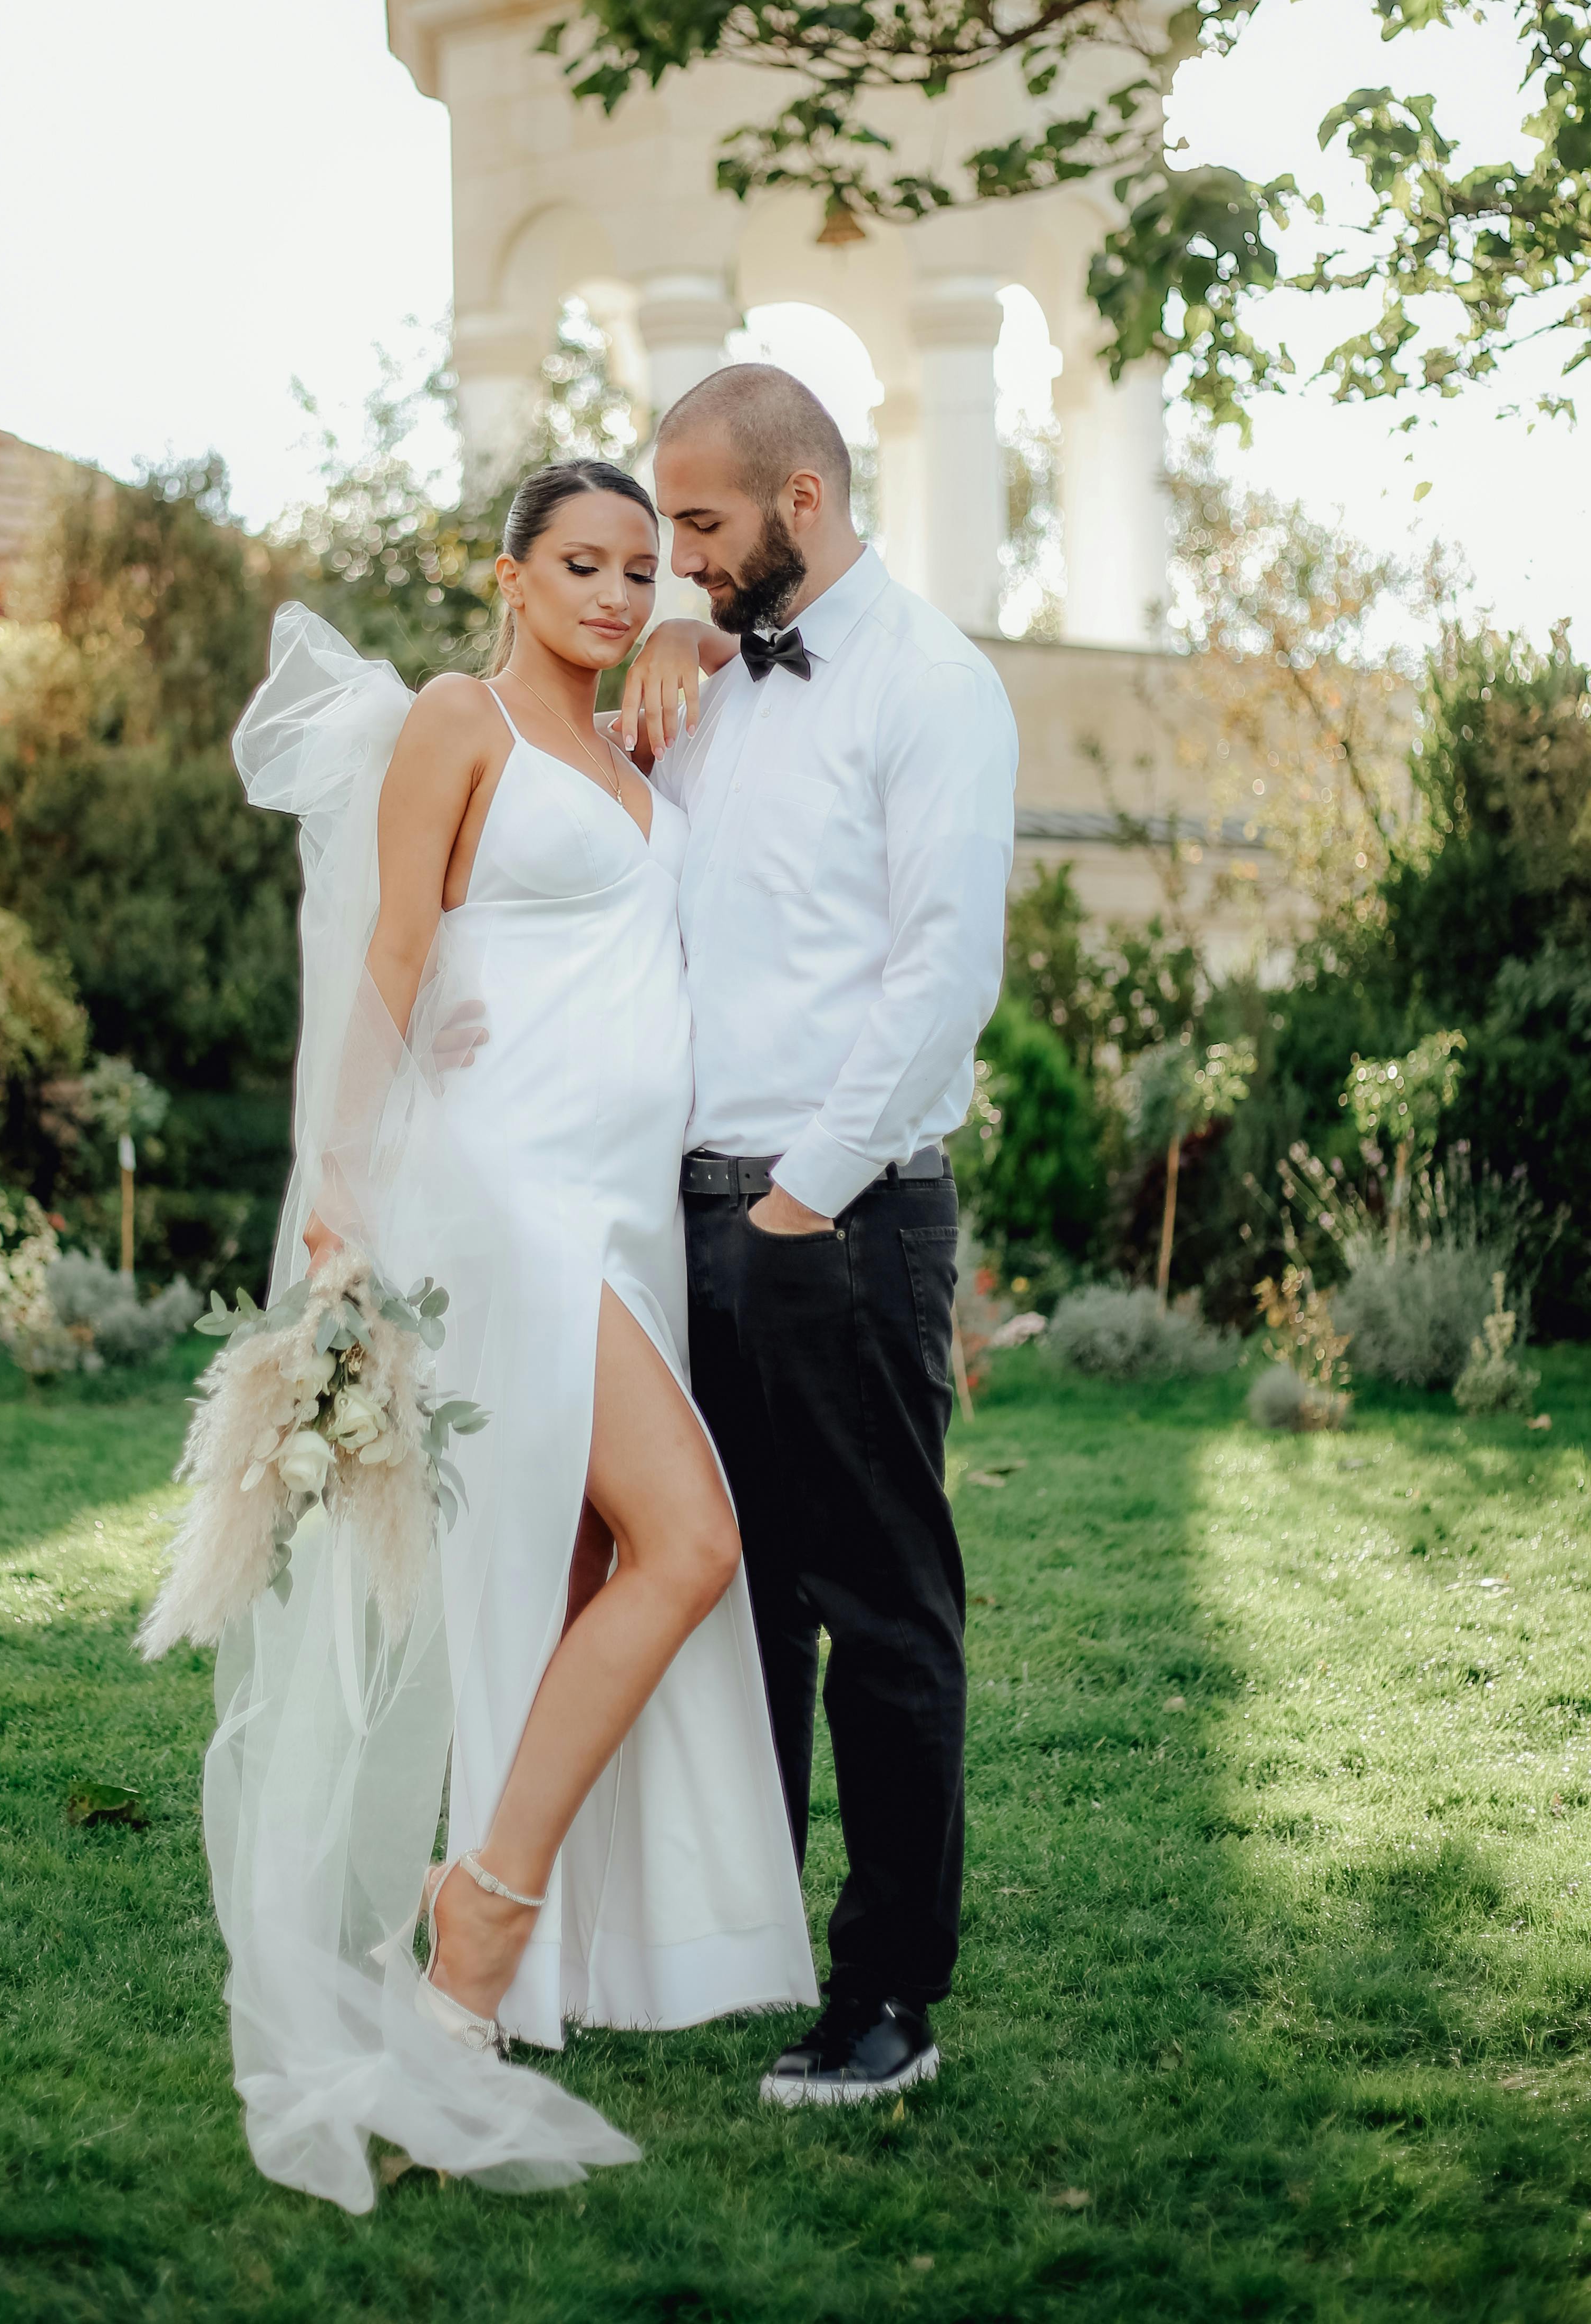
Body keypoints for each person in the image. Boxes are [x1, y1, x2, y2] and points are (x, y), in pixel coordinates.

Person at [189, 457, 814, 2214]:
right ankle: (479, 1926)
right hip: (508, 1199)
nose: (618, 595)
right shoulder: (458, 721)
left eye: (640, 570)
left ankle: (512, 1957)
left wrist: (694, 613)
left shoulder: (643, 750)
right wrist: (340, 1198)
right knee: (691, 1543)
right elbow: (396, 954)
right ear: (512, 574)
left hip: (627, 1208)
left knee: (579, 1567)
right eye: (585, 567)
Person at [615, 362, 1018, 2109]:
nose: (673, 562)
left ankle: (888, 2001)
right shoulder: (706, 687)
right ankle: (750, 1940)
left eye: (698, 526)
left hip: (837, 1219)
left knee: (880, 1607)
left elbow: (942, 984)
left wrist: (800, 1200)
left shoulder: (931, 684)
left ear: (801, 501)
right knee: (738, 1609)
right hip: (690, 1211)